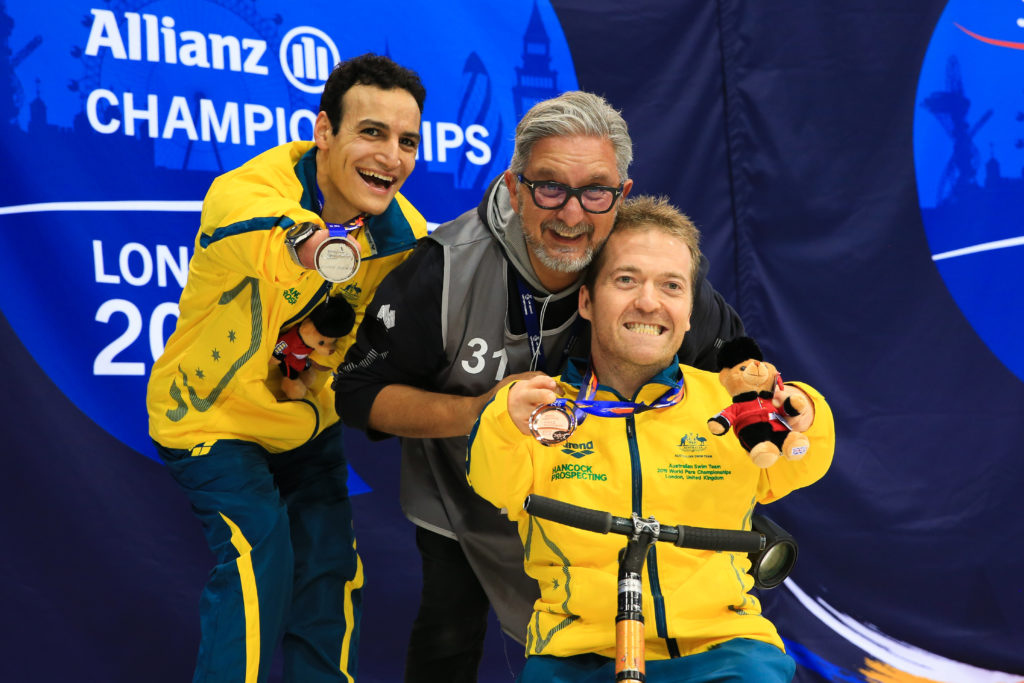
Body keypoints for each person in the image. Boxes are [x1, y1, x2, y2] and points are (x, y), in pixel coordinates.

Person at [334, 91, 745, 681]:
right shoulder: (444, 267)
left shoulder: (647, 268)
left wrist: (763, 403)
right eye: (549, 186)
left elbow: (734, 357)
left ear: (621, 196)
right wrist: (482, 412)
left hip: (603, 499)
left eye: (595, 192)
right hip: (468, 496)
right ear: (513, 187)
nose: (572, 215)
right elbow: (357, 393)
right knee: (448, 638)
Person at [466, 195, 836, 682]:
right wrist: (502, 422)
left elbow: (802, 459)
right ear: (586, 301)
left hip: (724, 652)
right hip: (577, 657)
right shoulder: (540, 408)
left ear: (688, 313)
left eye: (671, 286)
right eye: (626, 280)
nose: (648, 301)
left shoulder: (730, 402)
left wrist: (807, 412)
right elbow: (494, 485)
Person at [146, 53, 427, 683]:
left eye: (407, 141)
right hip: (209, 420)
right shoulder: (248, 190)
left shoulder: (402, 237)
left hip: (303, 423)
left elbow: (368, 332)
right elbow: (271, 233)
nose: (391, 156)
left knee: (331, 569)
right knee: (257, 553)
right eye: (372, 132)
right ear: (324, 131)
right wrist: (317, 246)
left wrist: (326, 348)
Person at [273, 295, 356, 400]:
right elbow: (278, 351)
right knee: (293, 383)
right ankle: (291, 389)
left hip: (304, 360)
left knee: (310, 377)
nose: (329, 348)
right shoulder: (297, 337)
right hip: (289, 361)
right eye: (322, 342)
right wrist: (275, 357)